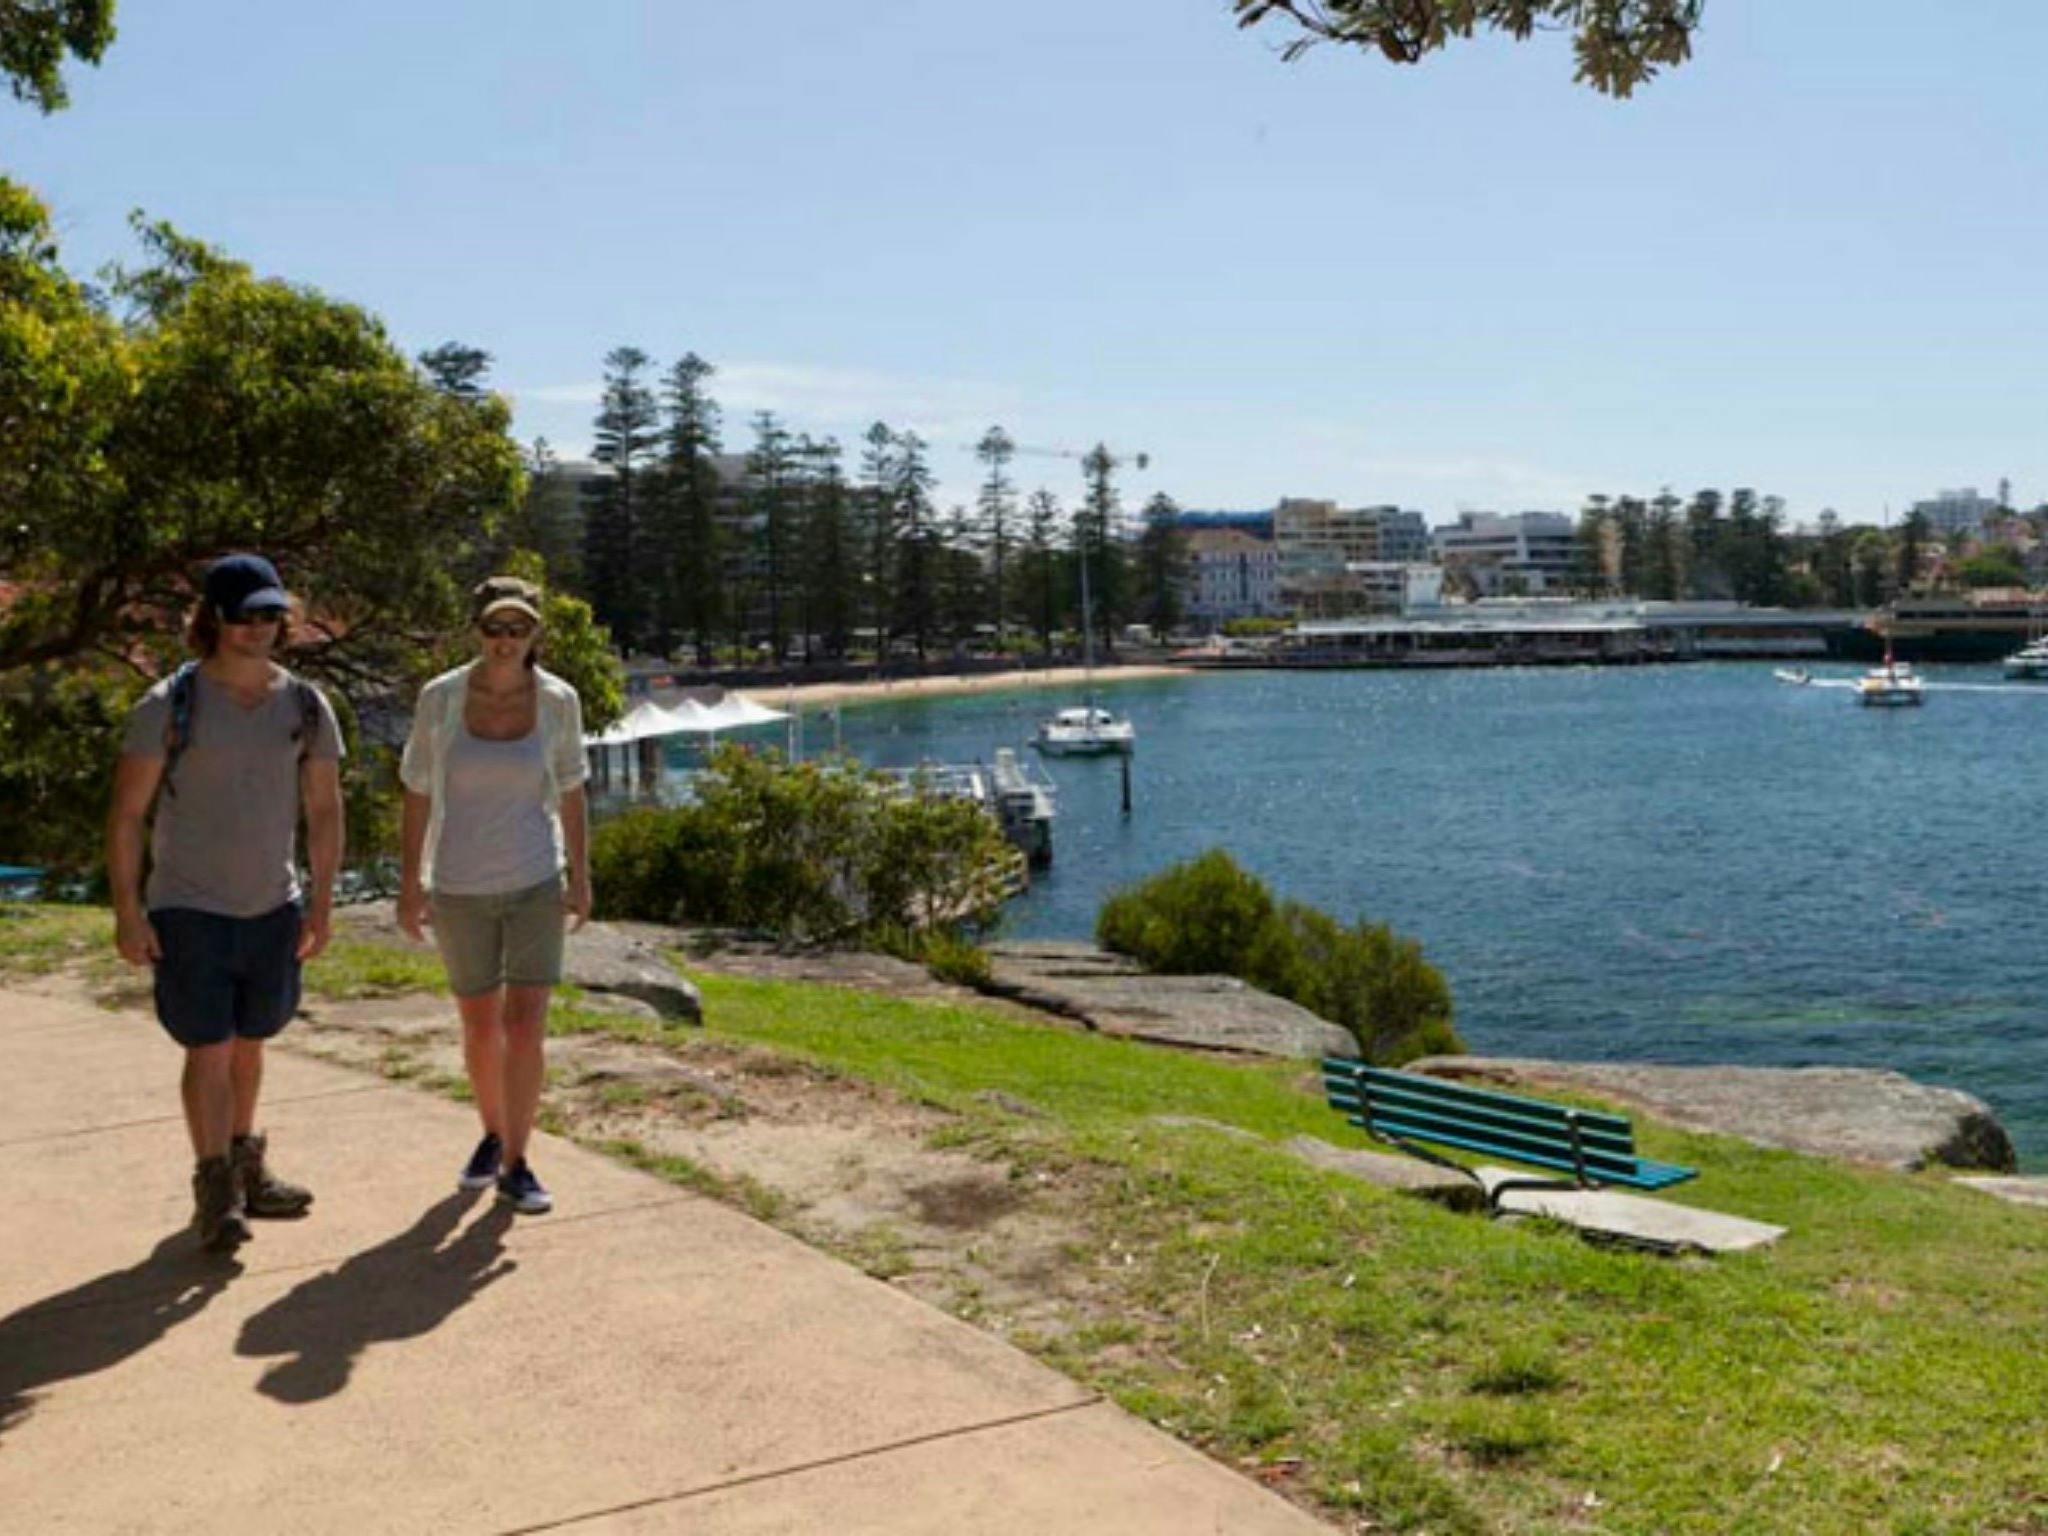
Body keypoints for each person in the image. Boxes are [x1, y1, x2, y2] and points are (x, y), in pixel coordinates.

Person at [107, 553, 345, 1252]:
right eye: (243, 616)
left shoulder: (304, 703)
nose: (258, 629)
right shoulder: (167, 706)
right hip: (189, 909)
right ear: (211, 619)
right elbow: (126, 815)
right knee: (208, 1048)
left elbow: (325, 809)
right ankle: (215, 1192)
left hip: (273, 905)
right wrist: (128, 911)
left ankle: (246, 1166)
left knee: (251, 1042)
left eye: (270, 615)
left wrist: (322, 902)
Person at [396, 576, 591, 1215]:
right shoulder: (442, 699)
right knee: (480, 1022)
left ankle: (516, 1161)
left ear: (535, 633)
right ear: (476, 630)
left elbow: (570, 790)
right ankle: (491, 1132)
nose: (506, 641)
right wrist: (409, 886)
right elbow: (419, 789)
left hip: (535, 877)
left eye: (519, 629)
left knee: (526, 1021)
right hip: (458, 883)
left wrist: (580, 876)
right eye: (494, 628)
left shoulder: (559, 701)